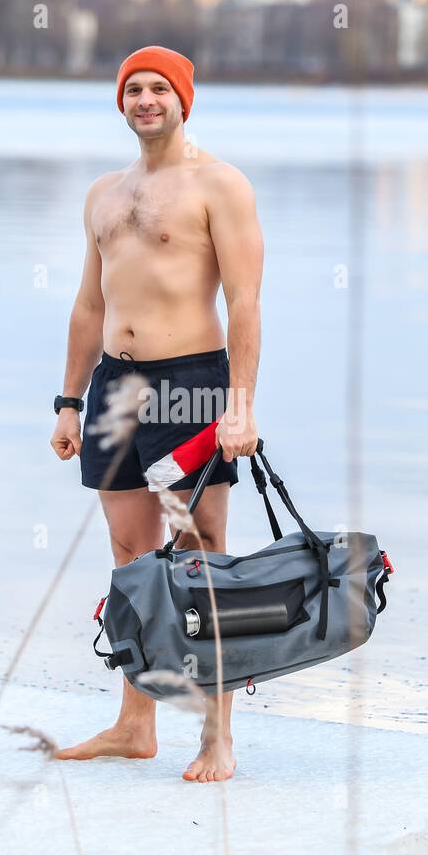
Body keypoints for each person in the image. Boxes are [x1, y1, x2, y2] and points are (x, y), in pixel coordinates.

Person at [50, 46, 263, 781]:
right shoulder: (105, 194)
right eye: (133, 89)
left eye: (159, 89)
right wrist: (69, 402)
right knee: (131, 563)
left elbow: (244, 302)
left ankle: (216, 737)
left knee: (203, 564)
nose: (145, 100)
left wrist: (240, 405)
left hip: (193, 387)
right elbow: (88, 305)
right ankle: (134, 726)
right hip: (116, 390)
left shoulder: (219, 184)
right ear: (121, 102)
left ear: (184, 100)